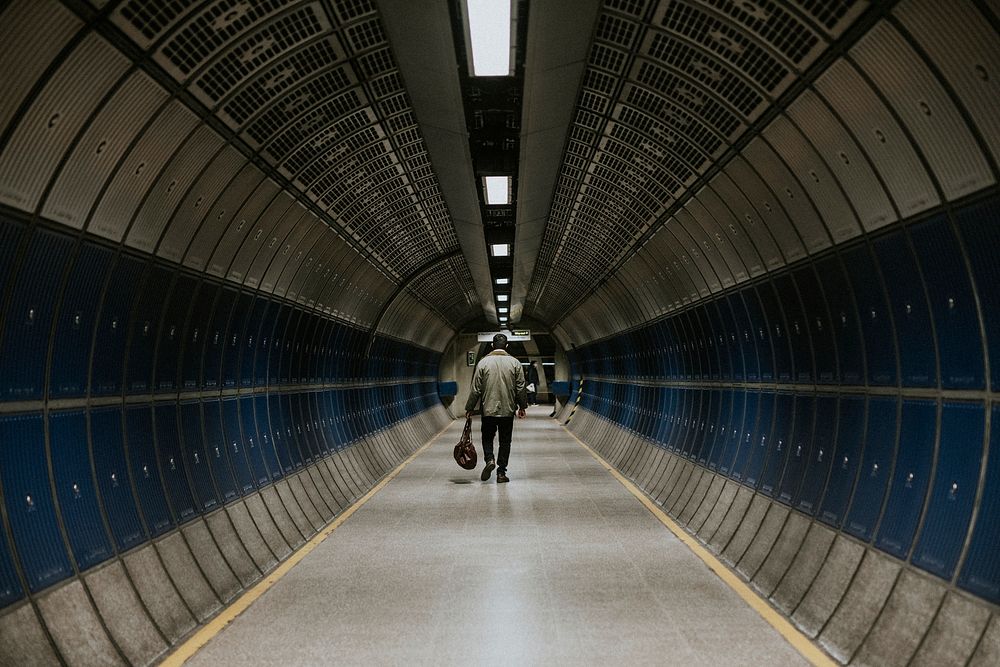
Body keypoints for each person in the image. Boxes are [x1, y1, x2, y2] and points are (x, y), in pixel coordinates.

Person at [465, 333, 527, 483]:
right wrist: (522, 406)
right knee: (505, 441)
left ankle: (489, 459)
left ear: (492, 346)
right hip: (507, 410)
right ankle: (501, 473)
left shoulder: (483, 363)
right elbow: (520, 387)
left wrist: (470, 408)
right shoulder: (515, 363)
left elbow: (476, 389)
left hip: (488, 410)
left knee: (487, 437)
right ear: (506, 346)